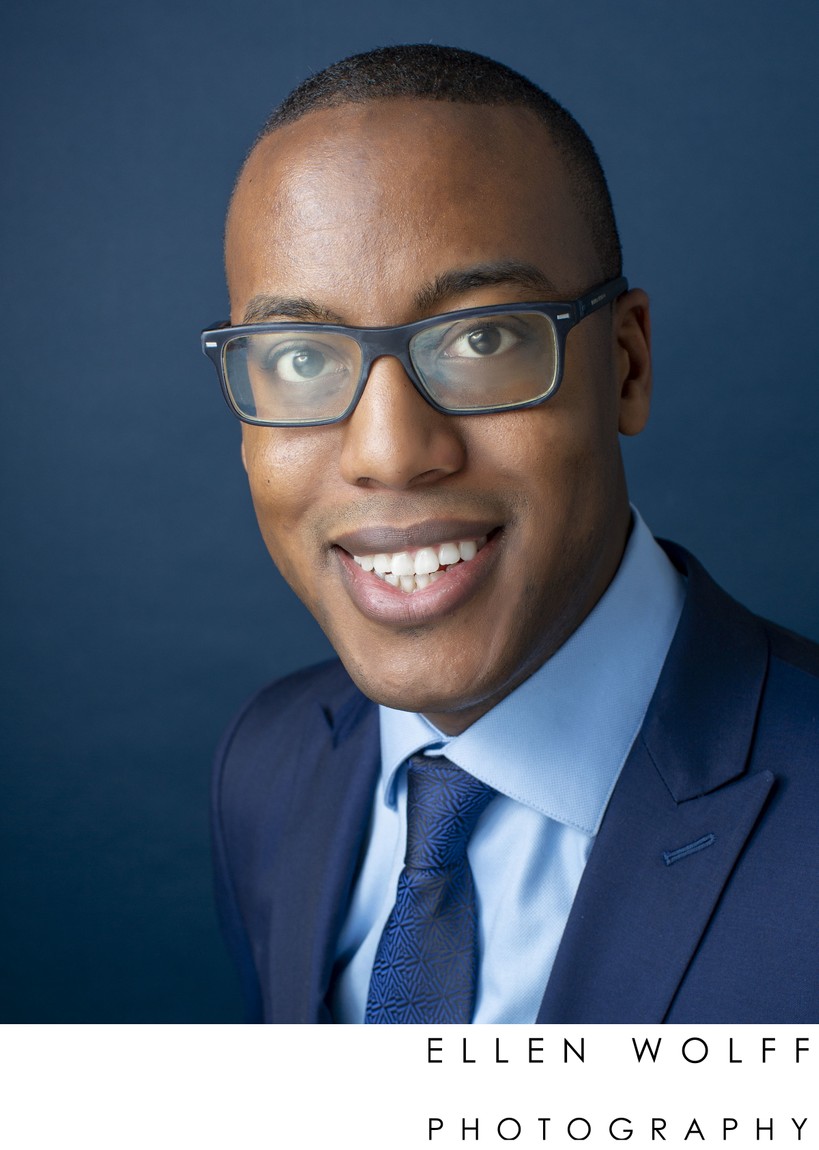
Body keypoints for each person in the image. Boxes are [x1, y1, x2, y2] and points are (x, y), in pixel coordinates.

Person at [202, 44, 819, 1023]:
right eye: (301, 355)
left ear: (625, 365)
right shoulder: (268, 763)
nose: (391, 451)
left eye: (481, 338)